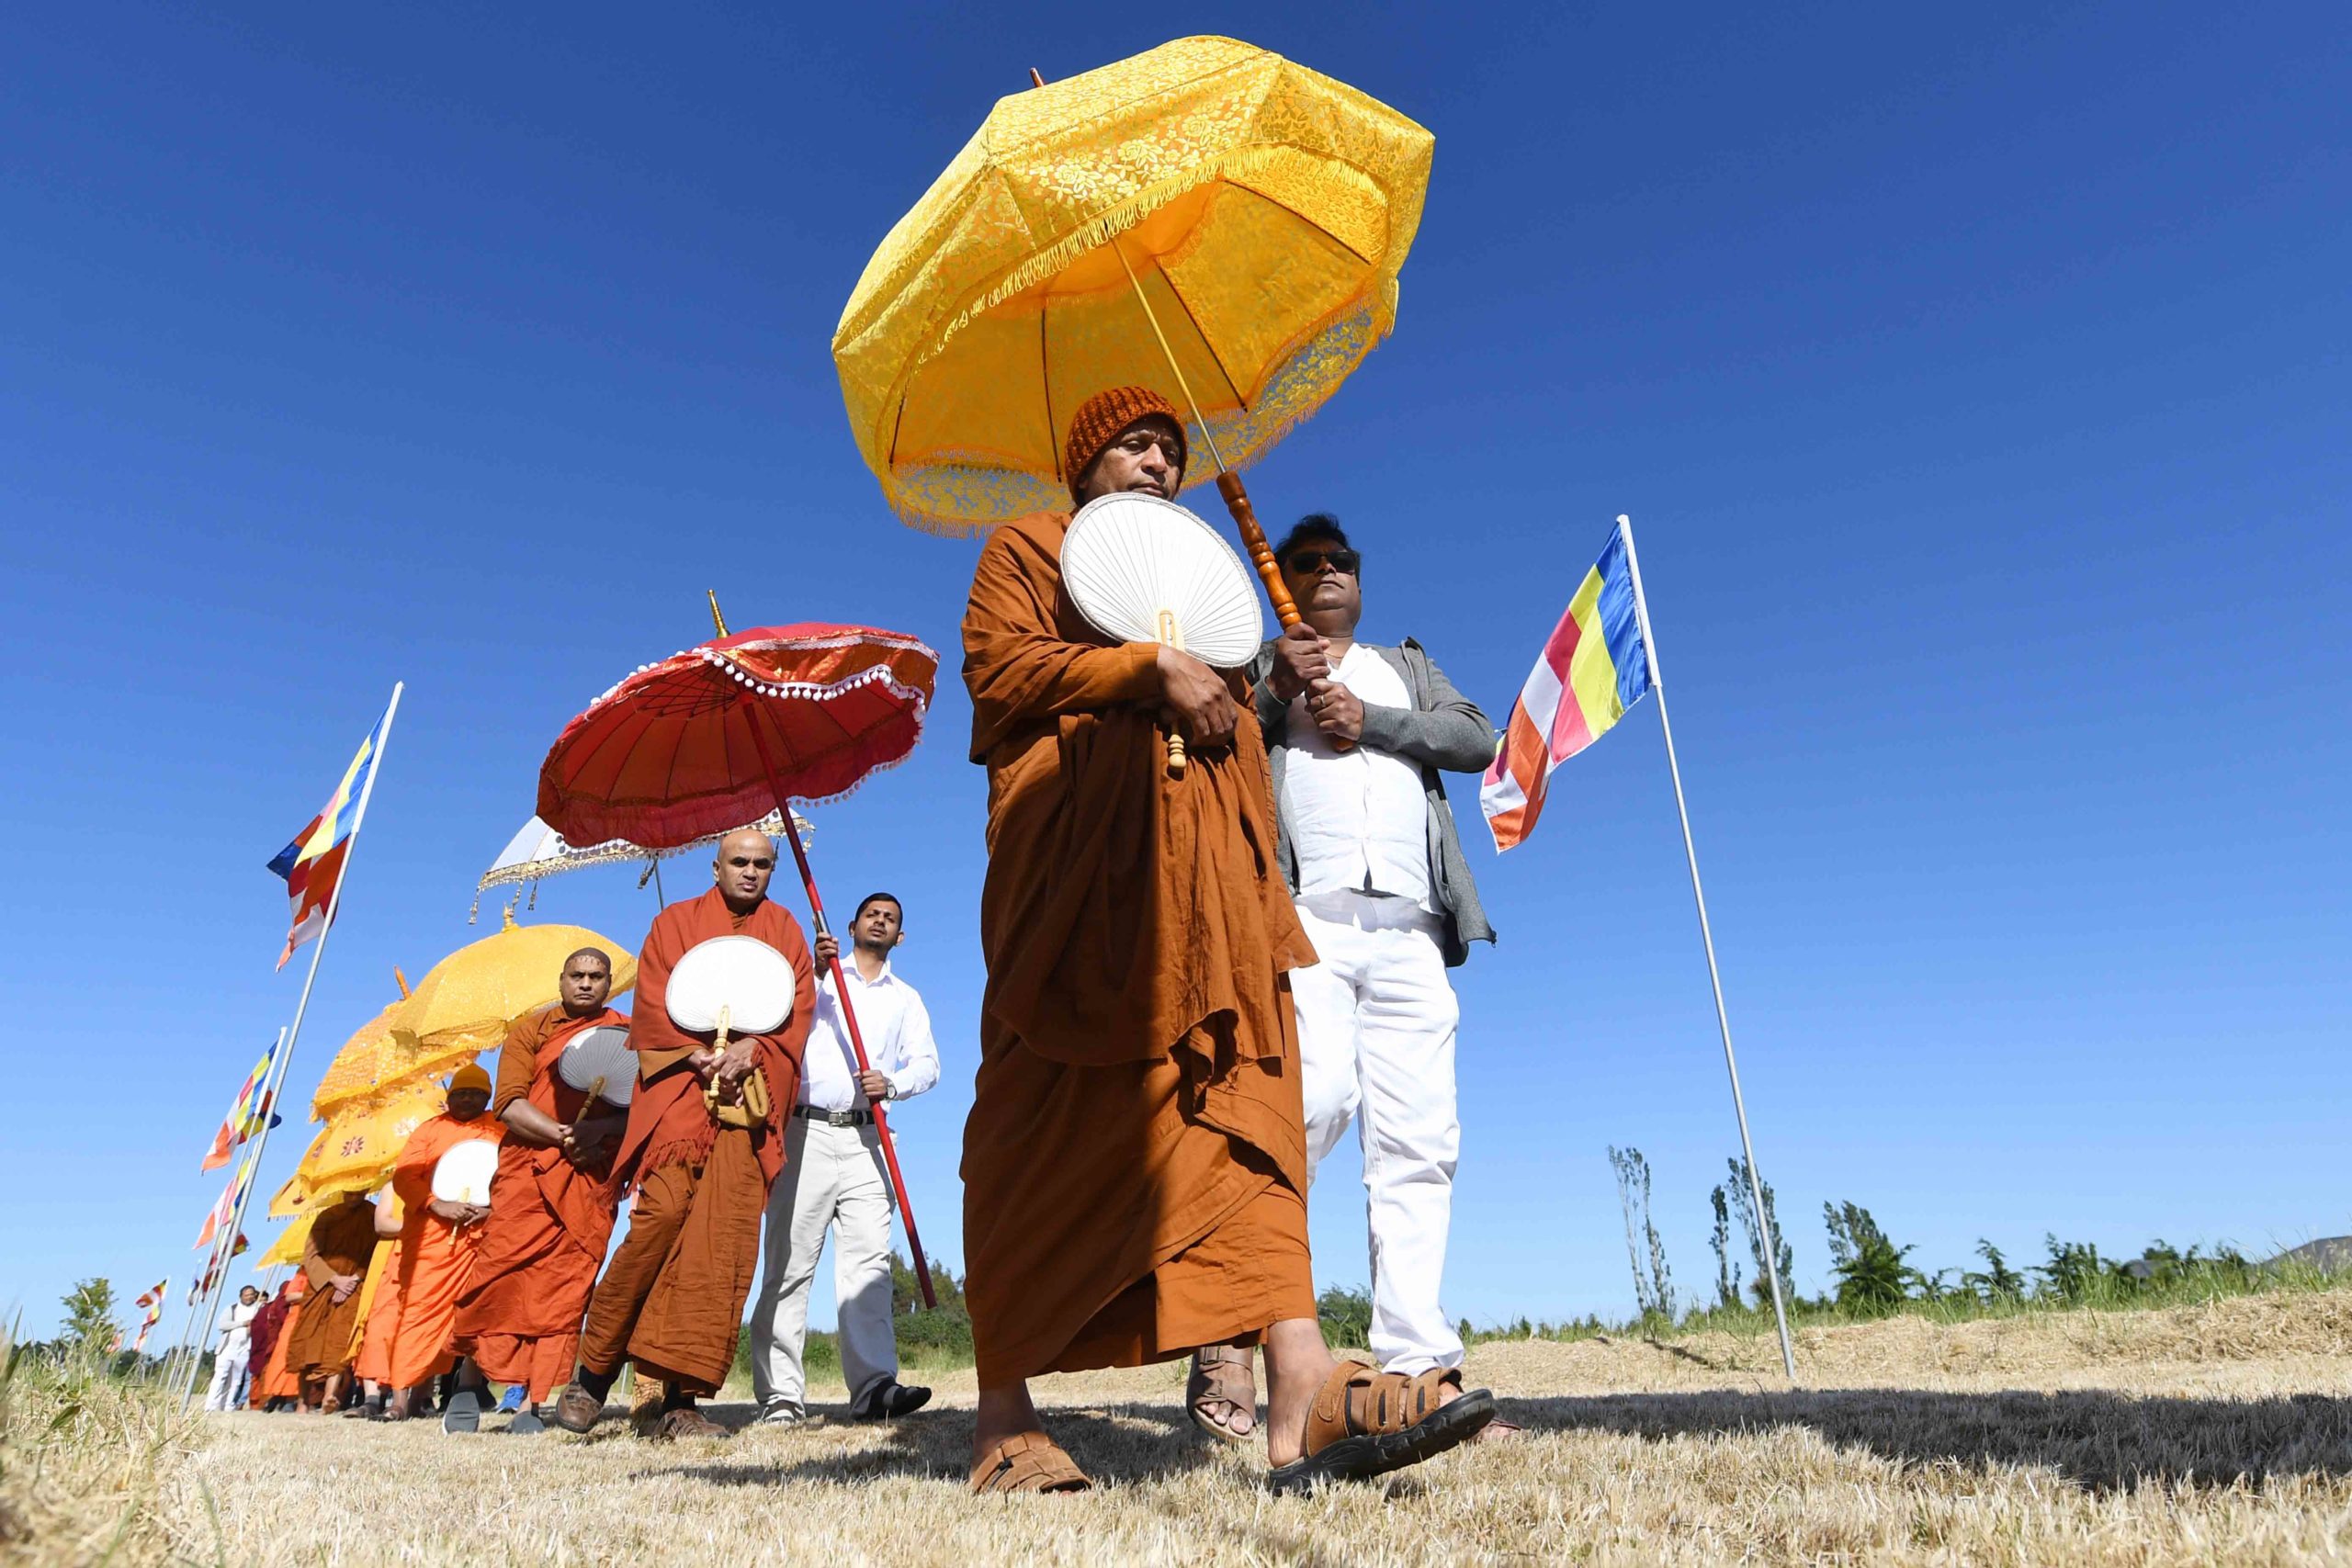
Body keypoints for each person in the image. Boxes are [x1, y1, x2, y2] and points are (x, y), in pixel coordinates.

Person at [956, 386, 1495, 1495]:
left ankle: (1300, 1387)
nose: (1157, 460)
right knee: (1033, 1118)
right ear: (1082, 463)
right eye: (1130, 444)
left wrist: (1255, 683)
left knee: (1246, 1092)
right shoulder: (1029, 548)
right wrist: (1137, 670)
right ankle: (1003, 1414)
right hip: (1074, 879)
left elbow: (1235, 724)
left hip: (1214, 884)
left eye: (1169, 447)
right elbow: (998, 676)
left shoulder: (1213, 588)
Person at [1190, 514, 1508, 1438]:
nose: (1325, 572)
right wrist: (1272, 690)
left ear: (1358, 582)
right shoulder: (1255, 666)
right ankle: (1233, 1331)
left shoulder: (1403, 665)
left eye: (1341, 562)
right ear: (1279, 580)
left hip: (1410, 928)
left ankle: (1419, 1368)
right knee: (1302, 1114)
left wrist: (1372, 723)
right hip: (1302, 923)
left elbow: (1474, 737)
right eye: (1306, 563)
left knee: (1419, 1142)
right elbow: (1211, 746)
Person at [551, 829, 816, 1440]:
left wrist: (755, 1046)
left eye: (762, 863)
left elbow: (797, 1012)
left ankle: (680, 1399)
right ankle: (592, 1374)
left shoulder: (785, 931)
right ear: (716, 864)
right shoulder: (675, 922)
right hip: (680, 1097)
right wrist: (694, 1057)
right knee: (662, 1218)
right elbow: (651, 1006)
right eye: (739, 861)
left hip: (747, 1105)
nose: (750, 872)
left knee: (719, 1239)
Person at [749, 893, 940, 1427]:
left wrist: (893, 1083)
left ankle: (874, 1386)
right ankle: (781, 1395)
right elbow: (775, 1026)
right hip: (804, 1130)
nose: (881, 920)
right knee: (789, 1263)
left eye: (892, 918)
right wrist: (811, 969)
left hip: (869, 1138)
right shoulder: (816, 984)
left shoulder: (906, 998)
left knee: (869, 1265)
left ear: (900, 937)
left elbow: (928, 1063)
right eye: (872, 914)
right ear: (852, 924)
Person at [451, 948, 631, 1433]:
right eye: (578, 975)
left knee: (563, 1286)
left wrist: (598, 1133)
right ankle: (470, 1380)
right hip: (529, 1167)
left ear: (610, 983)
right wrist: (563, 1136)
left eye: (597, 976)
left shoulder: (626, 1032)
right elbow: (509, 1105)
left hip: (591, 1173)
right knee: (501, 1273)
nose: (587, 984)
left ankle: (532, 1403)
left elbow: (642, 1104)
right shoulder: (530, 1031)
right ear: (562, 979)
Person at [379, 1066, 503, 1429]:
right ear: (448, 1098)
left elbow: (514, 1173)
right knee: (417, 1313)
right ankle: (400, 1398)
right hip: (431, 1237)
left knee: (471, 1315)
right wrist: (436, 1203)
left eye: (474, 1093)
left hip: (481, 1234)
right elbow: (405, 1176)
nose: (466, 1099)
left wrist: (489, 1209)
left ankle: (446, 1394)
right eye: (459, 1093)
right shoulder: (429, 1130)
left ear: (487, 1096)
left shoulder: (500, 1128)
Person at [284, 1188, 381, 1410]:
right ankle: (303, 1402)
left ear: (366, 1191)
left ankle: (330, 1395)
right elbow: (311, 1255)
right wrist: (335, 1280)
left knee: (340, 1340)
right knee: (308, 1339)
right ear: (342, 1191)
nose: (354, 1198)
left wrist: (353, 1280)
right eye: (350, 1193)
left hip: (355, 1285)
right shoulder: (328, 1216)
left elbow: (374, 1253)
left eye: (359, 1193)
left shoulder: (371, 1216)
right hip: (321, 1285)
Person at [203, 1286, 262, 1411]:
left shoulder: (257, 1309)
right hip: (227, 1348)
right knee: (220, 1376)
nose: (249, 1297)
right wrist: (242, 1323)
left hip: (244, 1349)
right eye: (246, 1295)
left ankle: (228, 1404)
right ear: (241, 1296)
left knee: (236, 1379)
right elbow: (222, 1325)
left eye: (251, 1294)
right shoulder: (232, 1308)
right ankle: (211, 1405)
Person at [245, 1279, 295, 1410]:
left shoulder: (271, 1307)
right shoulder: (273, 1307)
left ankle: (275, 1402)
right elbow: (260, 1328)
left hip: (274, 1345)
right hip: (276, 1345)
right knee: (276, 1373)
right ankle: (275, 1402)